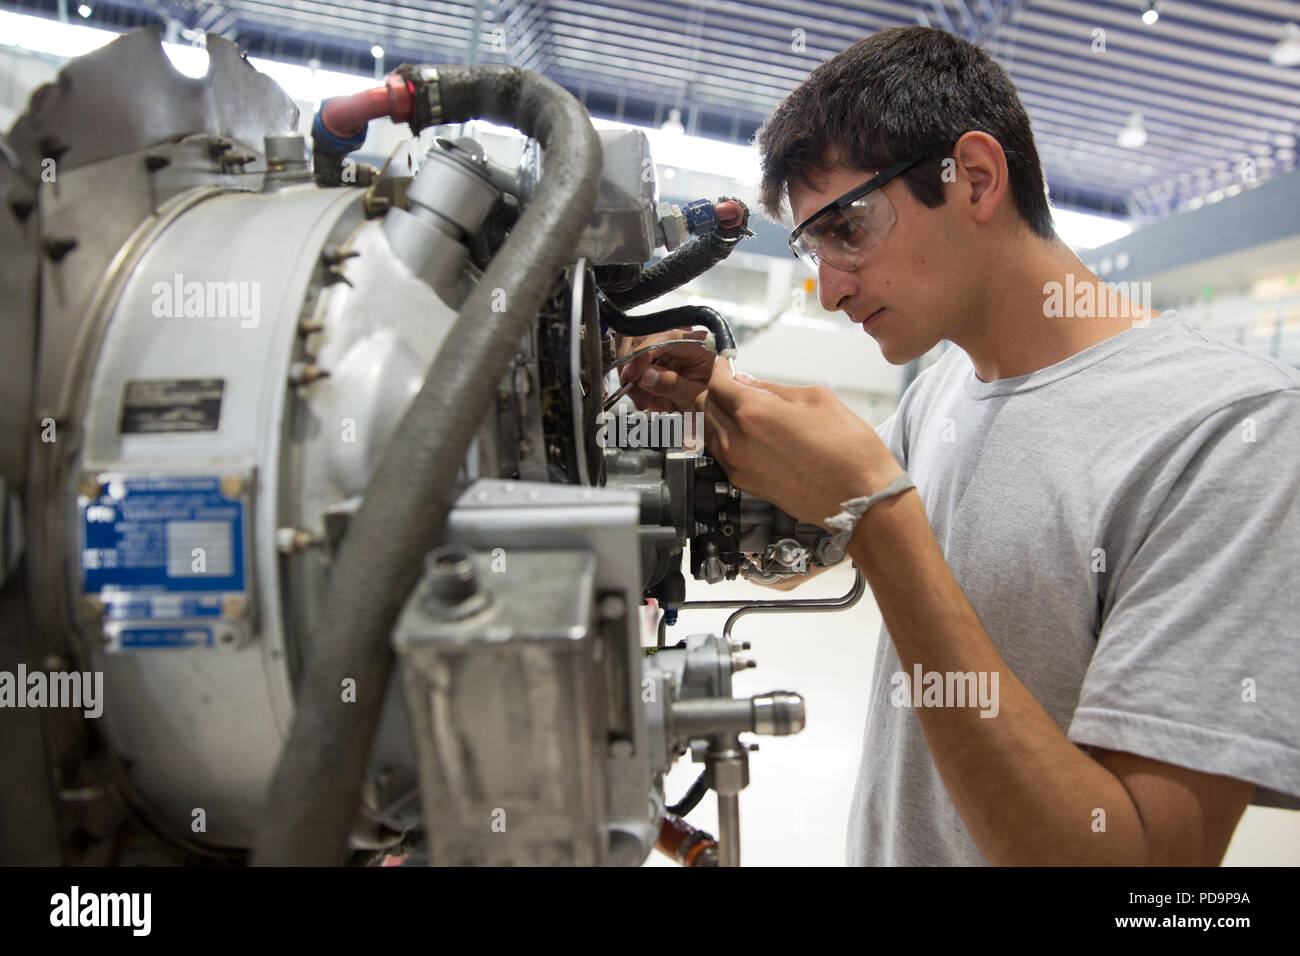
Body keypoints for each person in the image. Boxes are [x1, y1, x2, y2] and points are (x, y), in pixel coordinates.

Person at [614, 25, 1300, 866]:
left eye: (847, 228)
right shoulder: (946, 384)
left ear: (974, 177)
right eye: (810, 247)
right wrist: (720, 429)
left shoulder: (1228, 431)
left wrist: (879, 513)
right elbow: (807, 548)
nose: (827, 290)